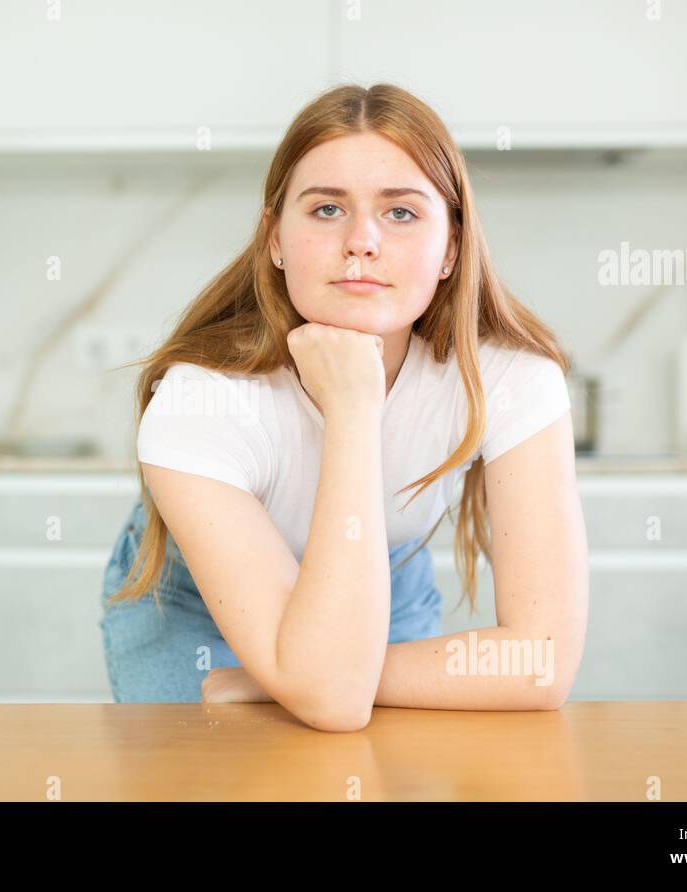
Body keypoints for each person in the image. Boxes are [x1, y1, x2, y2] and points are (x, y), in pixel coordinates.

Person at [99, 83, 589, 731]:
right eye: (327, 210)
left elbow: (539, 661)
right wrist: (354, 407)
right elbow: (333, 699)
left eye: (402, 213)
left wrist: (317, 670)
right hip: (197, 606)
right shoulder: (200, 399)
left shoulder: (510, 377)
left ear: (450, 249)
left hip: (381, 586)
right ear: (274, 239)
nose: (362, 240)